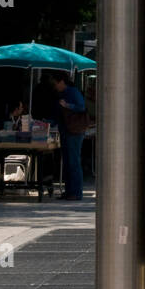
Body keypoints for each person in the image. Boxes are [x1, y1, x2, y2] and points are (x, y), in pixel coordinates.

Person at [51, 71, 86, 201]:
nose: (54, 86)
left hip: (74, 132)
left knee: (73, 161)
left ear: (61, 82)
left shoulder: (73, 92)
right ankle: (69, 190)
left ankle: (76, 192)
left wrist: (67, 105)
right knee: (67, 162)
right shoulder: (61, 93)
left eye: (55, 83)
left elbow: (81, 107)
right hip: (65, 131)